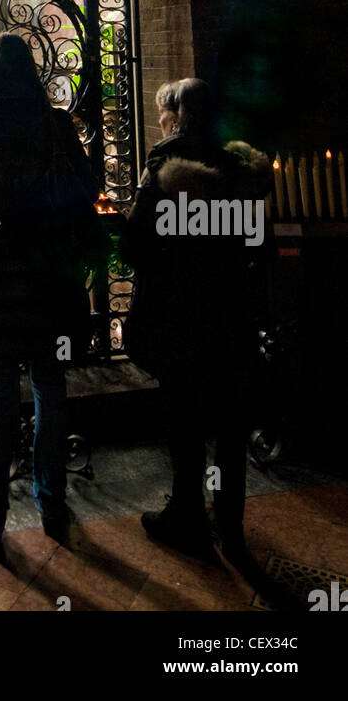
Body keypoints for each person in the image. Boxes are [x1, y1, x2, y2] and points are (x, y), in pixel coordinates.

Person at [0, 32, 104, 551]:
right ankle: (52, 502)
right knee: (50, 381)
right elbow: (89, 188)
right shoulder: (57, 124)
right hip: (50, 264)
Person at [120, 78, 271, 563]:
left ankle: (186, 513)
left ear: (178, 116)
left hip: (181, 317)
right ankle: (230, 524)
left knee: (184, 420)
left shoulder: (165, 169)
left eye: (169, 112)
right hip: (232, 317)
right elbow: (257, 243)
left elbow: (136, 248)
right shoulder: (242, 171)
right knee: (230, 425)